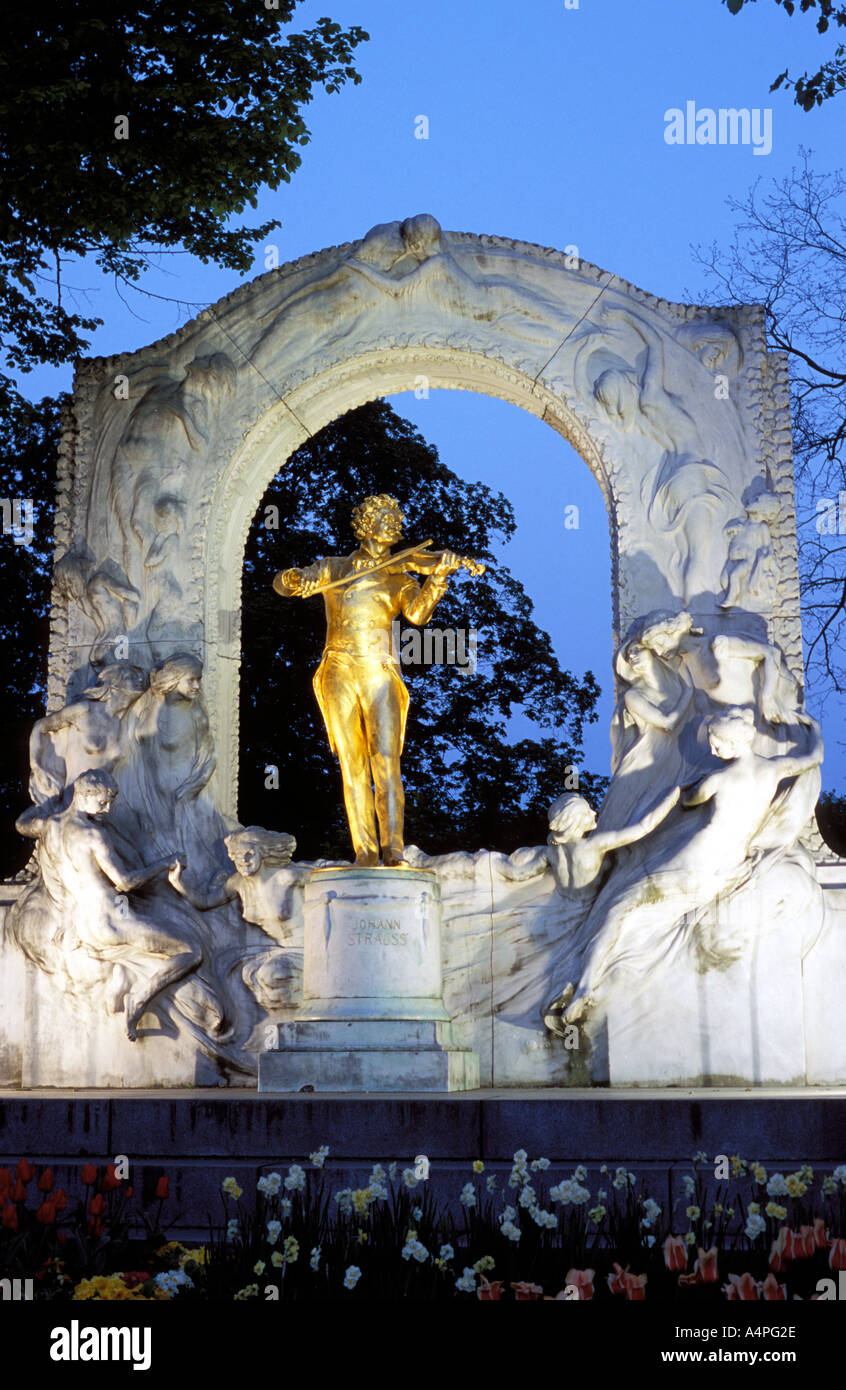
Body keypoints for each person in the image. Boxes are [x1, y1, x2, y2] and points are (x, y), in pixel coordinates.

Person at [274, 495, 474, 867]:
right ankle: (364, 851)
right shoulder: (334, 567)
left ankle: (393, 849)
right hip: (338, 669)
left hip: (379, 669)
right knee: (351, 763)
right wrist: (291, 579)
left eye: (397, 518)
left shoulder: (399, 576)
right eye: (386, 517)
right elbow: (290, 586)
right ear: (366, 525)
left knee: (386, 761)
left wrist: (439, 576)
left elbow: (417, 616)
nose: (394, 524)